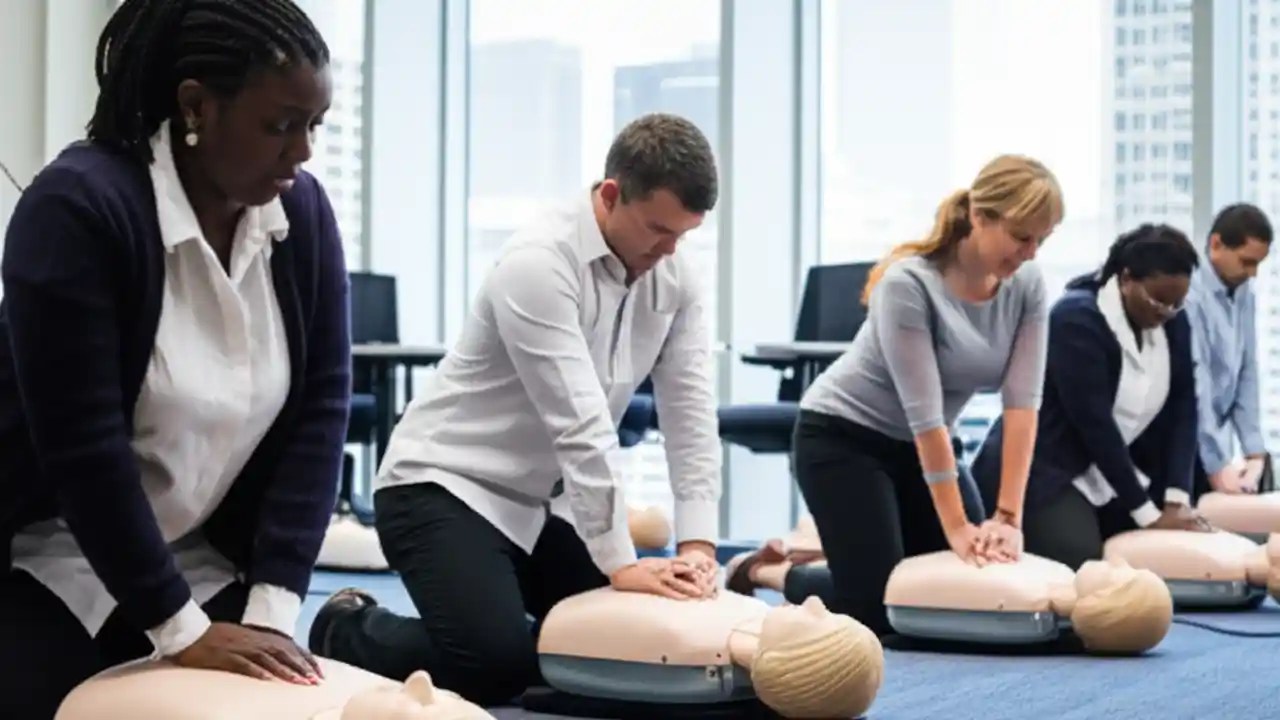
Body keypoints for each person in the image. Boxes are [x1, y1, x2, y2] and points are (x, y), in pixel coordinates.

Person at [0, 1, 349, 717]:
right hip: (46, 551)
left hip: (196, 554)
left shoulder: (302, 214)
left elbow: (321, 410)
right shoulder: (78, 208)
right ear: (197, 107)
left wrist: (272, 609)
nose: (304, 152)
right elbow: (84, 450)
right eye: (280, 126)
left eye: (314, 126)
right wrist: (177, 628)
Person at [309, 113, 723, 706]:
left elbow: (690, 412)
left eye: (683, 234)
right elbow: (581, 424)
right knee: (496, 667)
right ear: (611, 195)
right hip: (444, 488)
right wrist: (620, 563)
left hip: (544, 506)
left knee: (624, 641)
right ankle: (347, 627)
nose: (670, 250)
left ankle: (514, 628)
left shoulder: (675, 273)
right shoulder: (537, 264)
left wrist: (698, 547)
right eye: (658, 229)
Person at [790, 154, 1064, 638]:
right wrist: (957, 528)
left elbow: (1022, 406)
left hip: (926, 452)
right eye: (1022, 237)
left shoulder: (1027, 285)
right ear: (979, 216)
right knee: (882, 610)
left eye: (1042, 240)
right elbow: (926, 419)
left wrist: (1007, 518)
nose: (1031, 253)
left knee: (966, 585)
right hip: (844, 439)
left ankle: (836, 551)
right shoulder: (908, 284)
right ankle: (773, 570)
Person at [972, 224, 1212, 572]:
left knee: (1166, 549)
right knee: (1080, 557)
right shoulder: (1076, 320)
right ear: (1126, 279)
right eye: (1159, 300)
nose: (1166, 312)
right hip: (1044, 469)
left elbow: (1184, 406)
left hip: (1108, 468)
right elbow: (1095, 427)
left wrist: (1176, 499)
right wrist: (1147, 514)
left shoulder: (1171, 319)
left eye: (1177, 303)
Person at [1185, 204, 1274, 498]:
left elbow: (1246, 372)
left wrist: (1254, 451)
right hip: (1186, 446)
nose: (1253, 273)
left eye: (1258, 264)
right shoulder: (1189, 295)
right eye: (1246, 262)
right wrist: (1216, 465)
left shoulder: (1244, 292)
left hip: (1216, 448)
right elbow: (1196, 383)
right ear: (1216, 244)